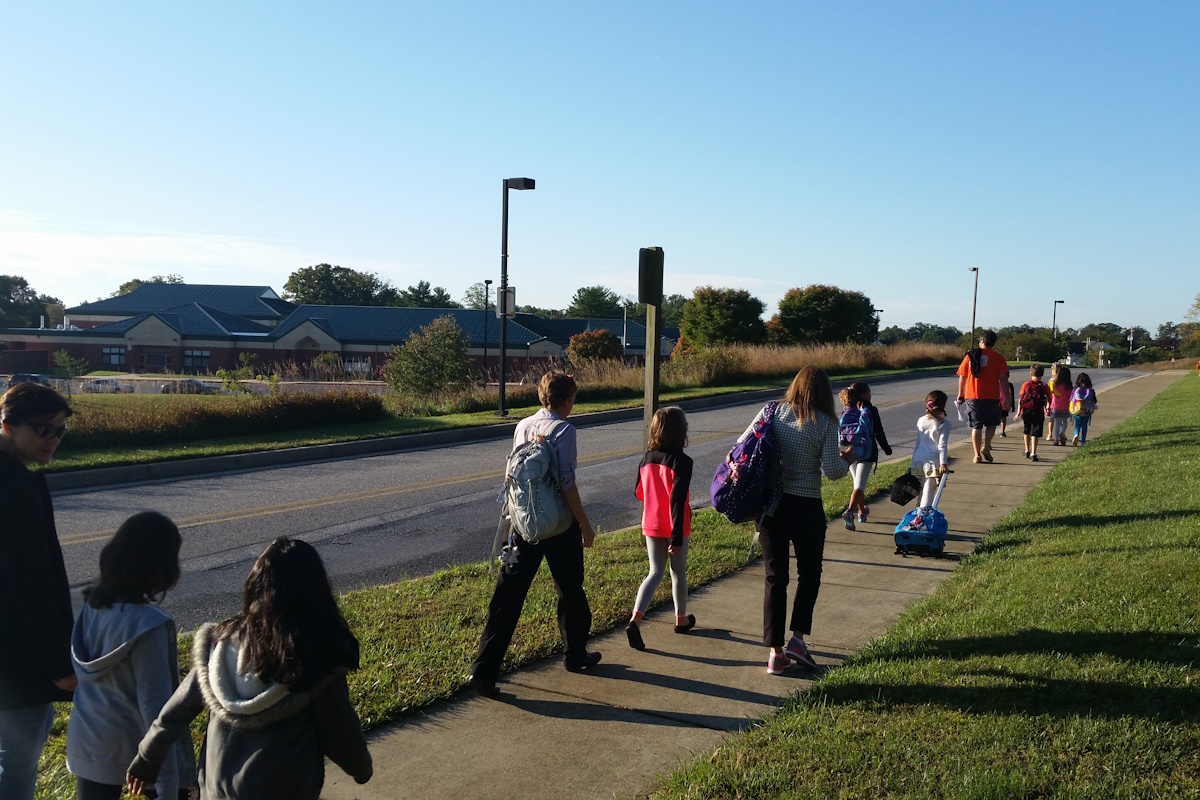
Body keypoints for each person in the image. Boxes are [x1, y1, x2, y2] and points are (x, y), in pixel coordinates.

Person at [127, 538, 372, 799]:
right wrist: (361, 768)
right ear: (315, 593)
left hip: (217, 792)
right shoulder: (314, 661)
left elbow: (176, 711)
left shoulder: (221, 645)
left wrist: (146, 759)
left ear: (254, 585)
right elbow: (340, 732)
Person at [468, 372, 600, 698]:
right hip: (557, 526)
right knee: (570, 590)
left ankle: (483, 671)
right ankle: (575, 654)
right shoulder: (565, 430)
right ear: (567, 400)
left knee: (506, 598)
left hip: (522, 525)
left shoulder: (523, 426)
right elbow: (566, 483)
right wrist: (583, 523)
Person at [68, 512, 196, 800]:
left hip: (89, 741)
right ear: (161, 566)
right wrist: (168, 787)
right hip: (138, 749)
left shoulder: (92, 607)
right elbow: (158, 709)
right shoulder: (149, 625)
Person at [741, 366, 852, 675]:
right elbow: (832, 470)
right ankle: (798, 640)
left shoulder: (772, 411)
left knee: (775, 578)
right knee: (809, 574)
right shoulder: (827, 422)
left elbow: (744, 444)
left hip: (772, 507)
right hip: (806, 507)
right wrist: (847, 459)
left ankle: (775, 653)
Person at [0, 383, 76, 800]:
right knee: (18, 761)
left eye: (60, 430)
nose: (53, 440)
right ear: (8, 426)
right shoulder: (16, 491)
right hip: (16, 657)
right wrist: (60, 663)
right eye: (43, 429)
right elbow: (32, 587)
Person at [626, 407, 694, 651]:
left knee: (655, 572)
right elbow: (677, 500)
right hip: (676, 526)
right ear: (681, 432)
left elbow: (639, 492)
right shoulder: (682, 462)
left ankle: (636, 619)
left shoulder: (647, 458)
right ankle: (681, 618)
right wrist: (676, 535)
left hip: (651, 523)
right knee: (678, 572)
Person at [837, 382, 892, 530]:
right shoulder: (869, 409)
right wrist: (887, 449)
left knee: (857, 484)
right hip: (866, 451)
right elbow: (878, 432)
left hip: (849, 450)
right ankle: (849, 512)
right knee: (860, 485)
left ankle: (862, 512)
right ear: (863, 394)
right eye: (868, 391)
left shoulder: (847, 409)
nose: (870, 394)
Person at [956, 330, 1010, 464]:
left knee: (976, 426)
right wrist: (1007, 398)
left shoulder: (970, 355)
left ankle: (977, 454)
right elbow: (1003, 379)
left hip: (973, 396)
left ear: (981, 341)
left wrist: (960, 393)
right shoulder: (998, 357)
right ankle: (986, 446)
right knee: (992, 424)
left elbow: (962, 376)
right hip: (992, 395)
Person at [910, 391, 950, 508]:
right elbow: (942, 445)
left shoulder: (921, 420)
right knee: (928, 491)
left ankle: (917, 514)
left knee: (921, 490)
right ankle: (922, 516)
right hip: (933, 461)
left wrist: (913, 460)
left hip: (918, 459)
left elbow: (917, 442)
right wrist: (943, 463)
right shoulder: (944, 423)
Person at [1015, 364, 1049, 462]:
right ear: (1042, 374)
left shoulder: (1026, 384)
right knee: (1035, 433)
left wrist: (1018, 412)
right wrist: (1047, 407)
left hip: (1027, 410)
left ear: (1031, 373)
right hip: (1038, 411)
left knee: (1027, 431)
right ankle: (1034, 453)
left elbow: (1021, 399)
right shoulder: (1044, 385)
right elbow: (1049, 398)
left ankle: (1027, 450)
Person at [1047, 365, 1073, 446]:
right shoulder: (1068, 386)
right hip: (1065, 407)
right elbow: (1071, 397)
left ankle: (1055, 440)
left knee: (1057, 423)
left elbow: (1050, 393)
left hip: (1055, 406)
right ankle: (1062, 432)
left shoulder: (1055, 384)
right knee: (1065, 422)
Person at [1070, 372, 1098, 445]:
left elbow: (1071, 400)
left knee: (1077, 424)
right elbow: (1094, 401)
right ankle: (1083, 441)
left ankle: (1076, 434)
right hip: (1086, 411)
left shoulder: (1075, 390)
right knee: (1084, 425)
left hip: (1077, 410)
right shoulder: (1091, 391)